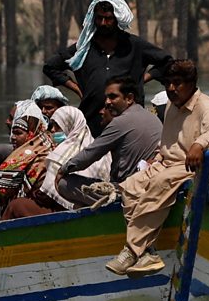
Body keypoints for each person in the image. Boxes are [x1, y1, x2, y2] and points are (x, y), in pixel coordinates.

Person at [106, 60, 209, 278]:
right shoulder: (172, 106)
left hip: (198, 170)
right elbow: (169, 145)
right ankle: (148, 252)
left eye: (177, 83)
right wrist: (156, 160)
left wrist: (199, 144)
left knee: (160, 183)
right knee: (130, 186)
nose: (171, 88)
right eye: (168, 83)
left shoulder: (206, 106)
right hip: (169, 164)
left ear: (191, 83)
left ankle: (132, 250)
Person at [43, 0, 173, 135]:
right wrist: (77, 88)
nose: (103, 23)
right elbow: (51, 67)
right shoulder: (83, 48)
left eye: (108, 19)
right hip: (92, 121)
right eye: (99, 18)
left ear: (117, 19)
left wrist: (142, 80)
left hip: (128, 123)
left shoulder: (134, 45)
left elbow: (167, 61)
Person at [56, 77, 163, 207]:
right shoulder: (152, 117)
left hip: (129, 192)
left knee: (65, 183)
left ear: (129, 98)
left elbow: (91, 153)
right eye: (106, 97)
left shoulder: (120, 122)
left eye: (113, 97)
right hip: (150, 186)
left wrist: (63, 169)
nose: (107, 102)